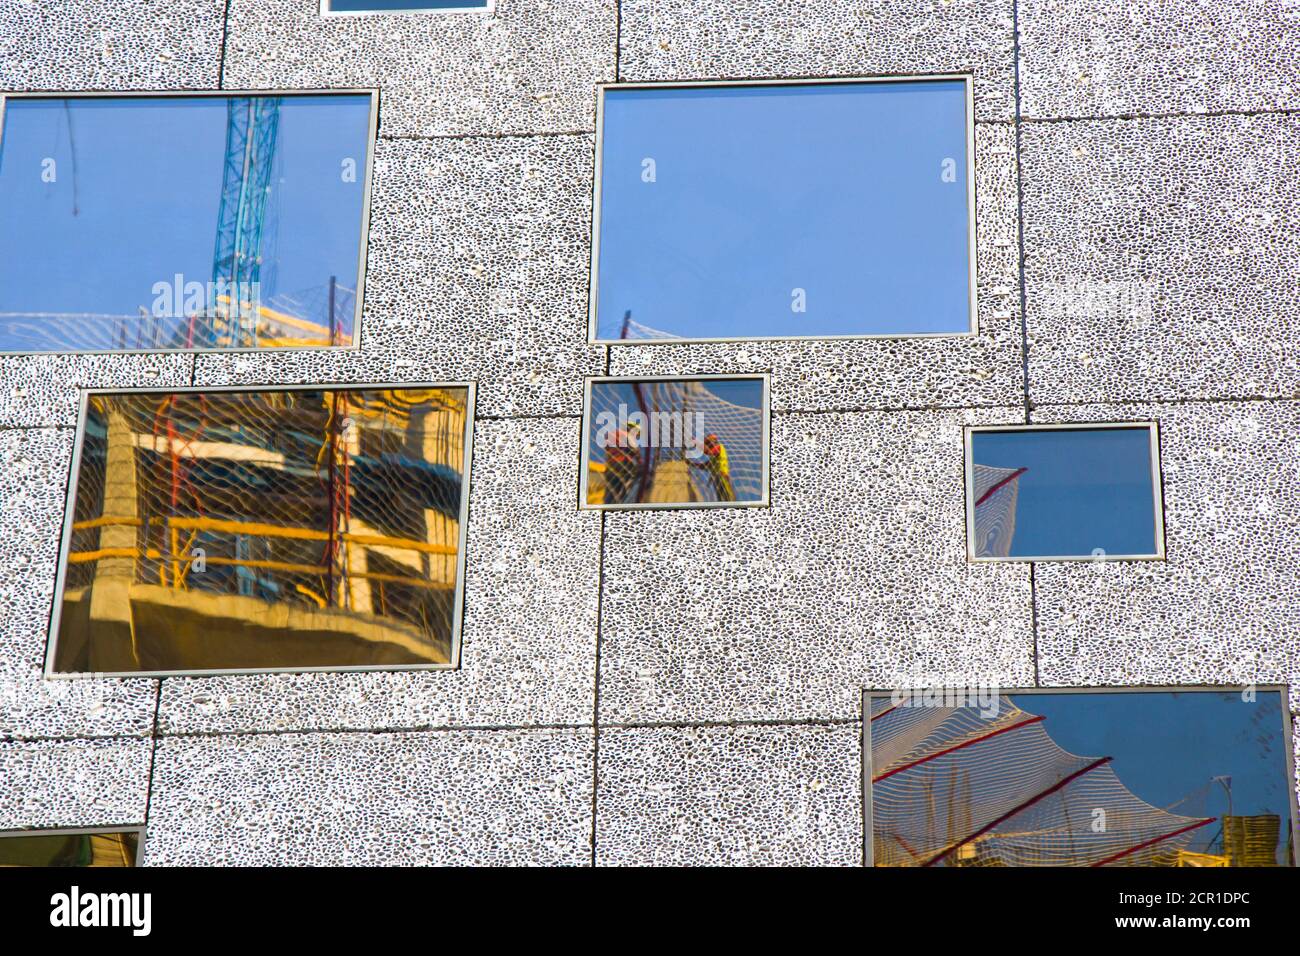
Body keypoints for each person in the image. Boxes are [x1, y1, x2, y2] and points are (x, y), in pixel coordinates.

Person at [602, 420, 642, 504]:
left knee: (611, 493)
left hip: (610, 466)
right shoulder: (627, 435)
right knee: (623, 491)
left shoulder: (613, 434)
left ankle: (608, 508)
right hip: (624, 465)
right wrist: (640, 461)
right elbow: (634, 450)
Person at [693, 432, 734, 502]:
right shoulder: (713, 457)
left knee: (728, 500)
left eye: (708, 443)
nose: (707, 445)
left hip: (723, 477)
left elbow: (707, 451)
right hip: (717, 480)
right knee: (721, 501)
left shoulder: (719, 447)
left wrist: (695, 442)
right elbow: (704, 466)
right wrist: (691, 463)